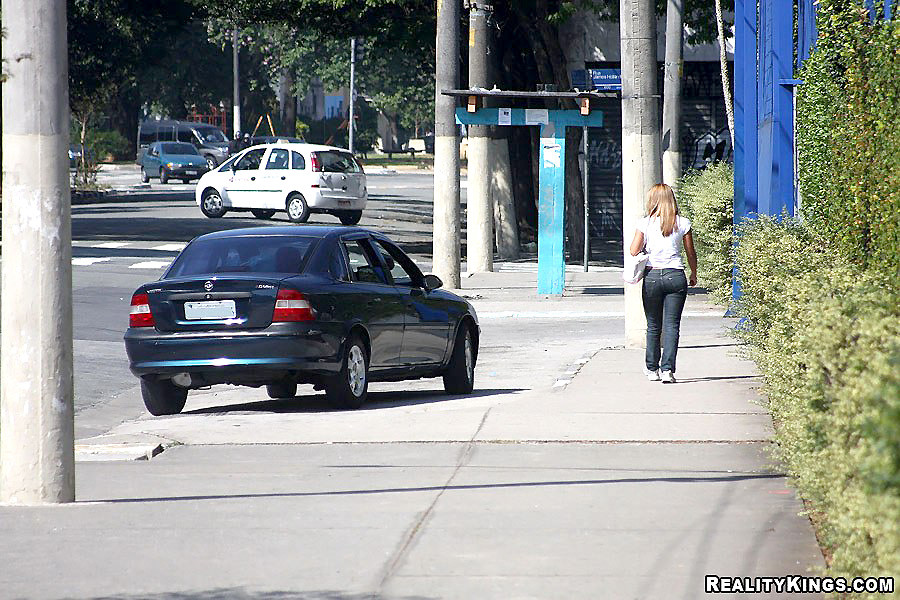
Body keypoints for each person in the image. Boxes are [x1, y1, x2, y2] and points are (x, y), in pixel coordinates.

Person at [629, 183, 698, 383]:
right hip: (676, 275)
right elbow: (690, 252)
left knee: (653, 325)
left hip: (652, 276)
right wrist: (693, 273)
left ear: (653, 201)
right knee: (672, 325)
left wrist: (647, 252)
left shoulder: (645, 224)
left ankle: (652, 369)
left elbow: (633, 250)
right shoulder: (683, 223)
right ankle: (668, 370)